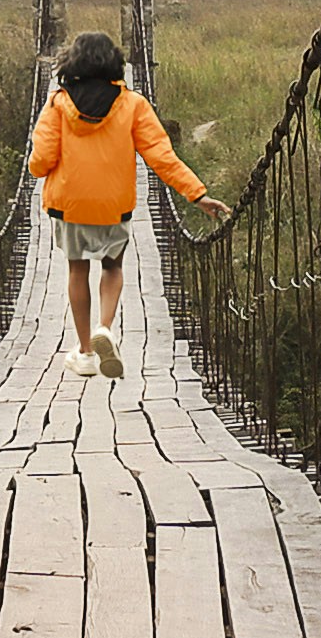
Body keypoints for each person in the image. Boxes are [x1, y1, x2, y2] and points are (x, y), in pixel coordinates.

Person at [26, 31, 202, 378]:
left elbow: (40, 162)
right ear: (114, 63)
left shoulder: (57, 104)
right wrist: (196, 192)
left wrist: (36, 163)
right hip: (113, 204)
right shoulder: (133, 104)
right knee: (112, 268)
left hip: (70, 204)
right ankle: (105, 327)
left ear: (72, 63)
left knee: (78, 270)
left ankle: (86, 354)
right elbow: (161, 156)